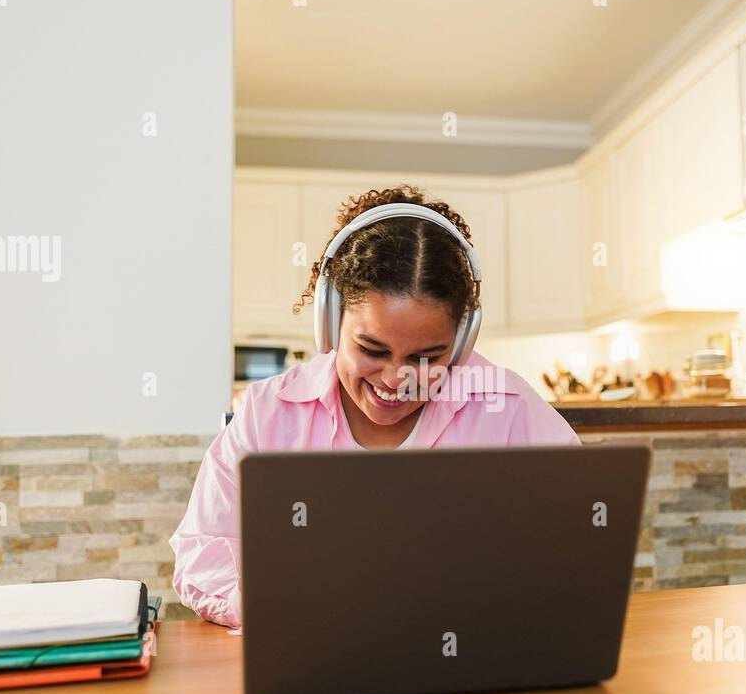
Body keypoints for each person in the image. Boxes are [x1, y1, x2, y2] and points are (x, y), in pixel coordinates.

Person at [169, 185, 579, 629]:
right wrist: (272, 608)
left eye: (426, 359)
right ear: (330, 321)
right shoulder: (270, 412)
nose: (395, 379)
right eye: (372, 349)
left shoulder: (507, 406)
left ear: (461, 345)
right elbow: (201, 551)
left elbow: (583, 529)